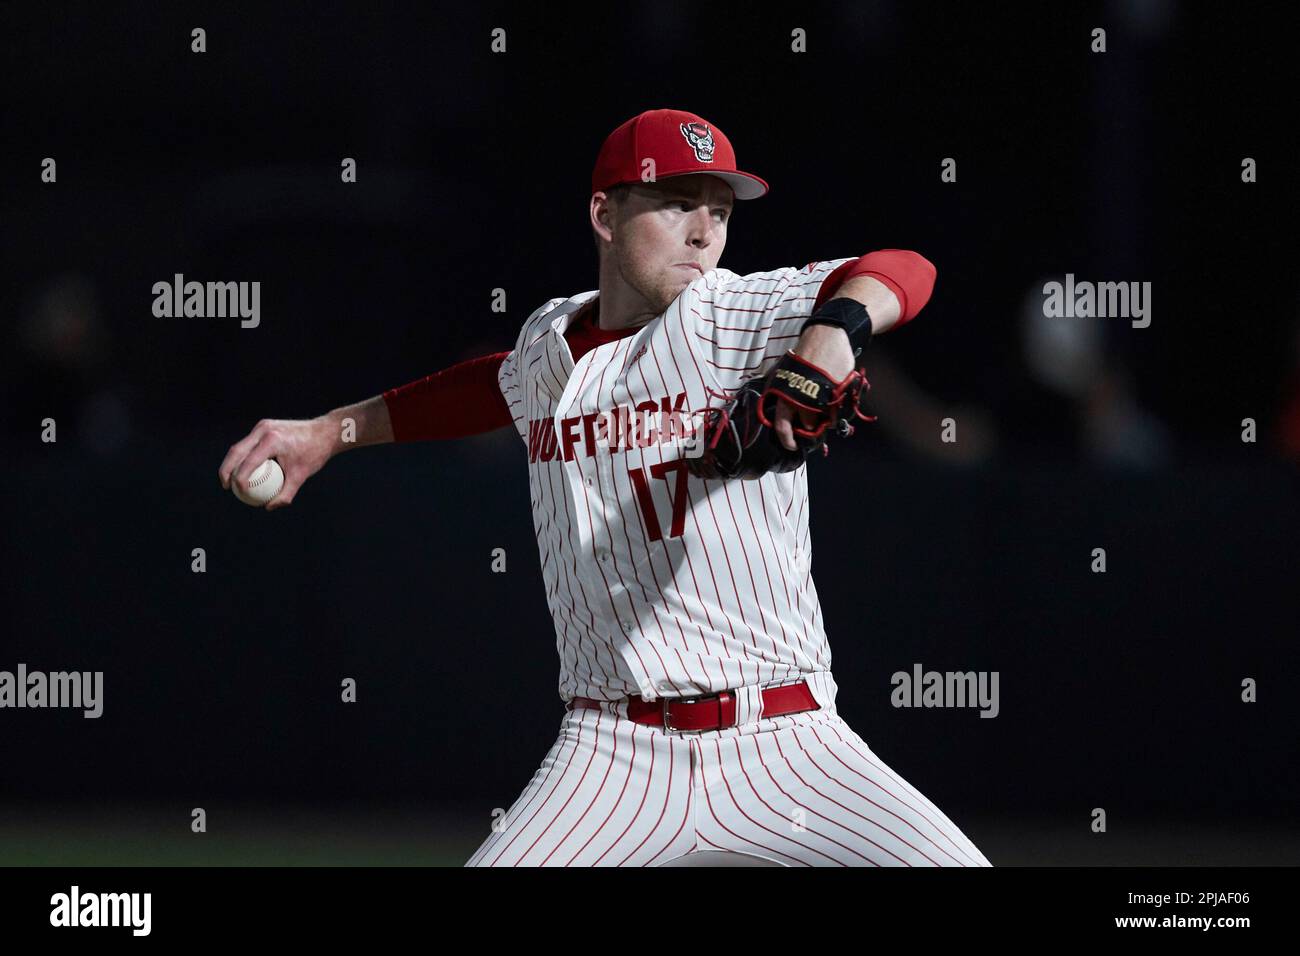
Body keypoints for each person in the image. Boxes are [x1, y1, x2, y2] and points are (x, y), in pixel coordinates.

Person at [219, 108, 992, 867]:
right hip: (612, 754)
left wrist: (835, 328)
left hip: (788, 740)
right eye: (677, 204)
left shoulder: (732, 314)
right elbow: (486, 390)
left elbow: (906, 269)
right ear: (604, 215)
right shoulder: (545, 345)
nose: (704, 233)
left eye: (720, 212)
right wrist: (329, 432)